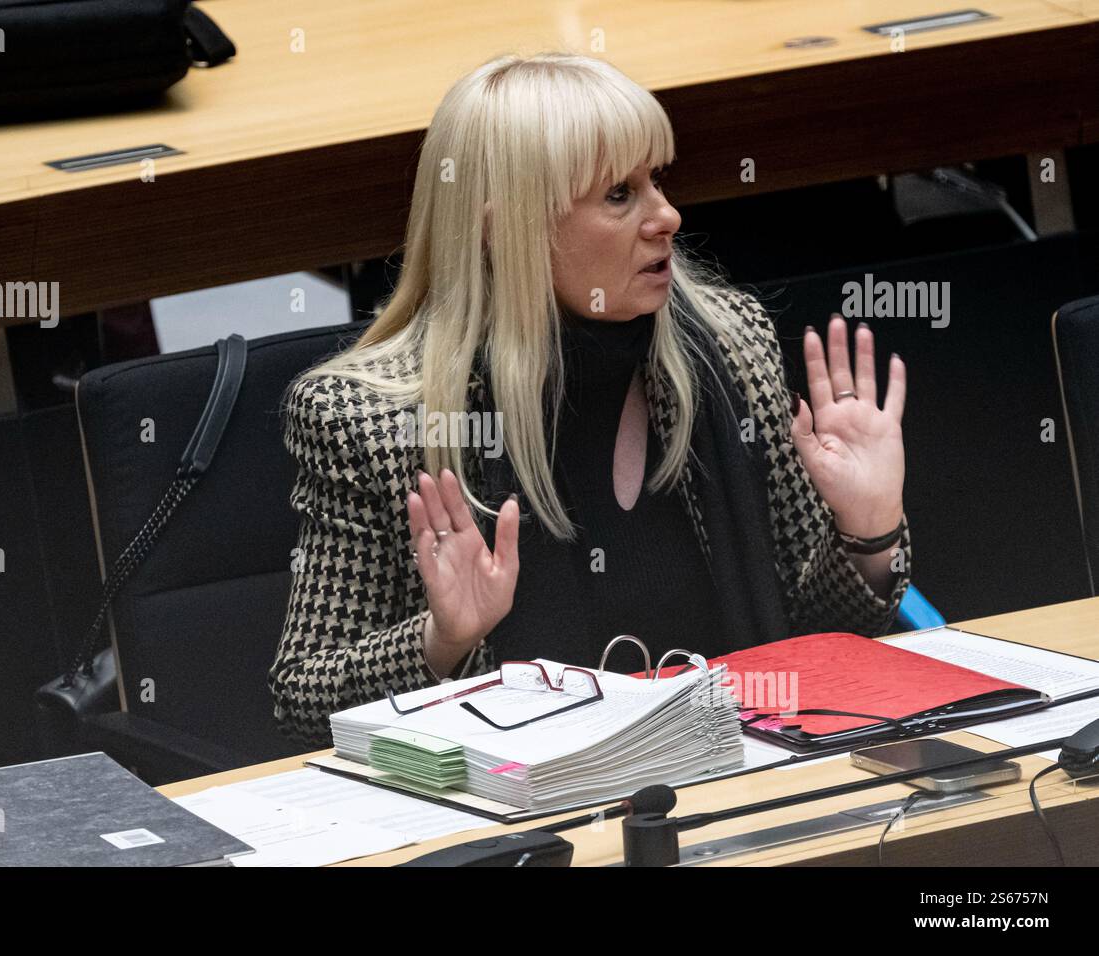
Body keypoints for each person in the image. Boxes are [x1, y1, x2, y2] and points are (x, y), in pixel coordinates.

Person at [269, 52, 910, 747]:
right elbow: (303, 699)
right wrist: (441, 640)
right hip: (533, 809)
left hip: (740, 767)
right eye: (619, 194)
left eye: (656, 180)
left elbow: (815, 639)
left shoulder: (728, 347)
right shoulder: (374, 421)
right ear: (504, 229)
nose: (667, 215)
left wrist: (867, 529)